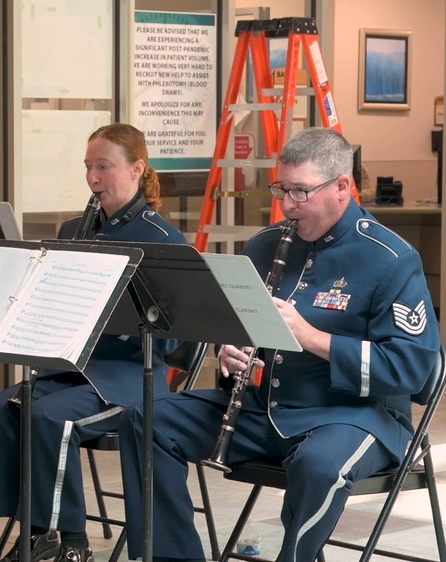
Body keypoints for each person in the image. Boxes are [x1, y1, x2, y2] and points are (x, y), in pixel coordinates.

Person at [118, 127, 442, 562]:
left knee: (318, 466)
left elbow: (412, 370)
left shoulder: (390, 258)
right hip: (264, 408)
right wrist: (230, 353)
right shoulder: (265, 246)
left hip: (354, 416)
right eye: (281, 189)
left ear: (342, 187)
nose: (287, 204)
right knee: (145, 420)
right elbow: (244, 331)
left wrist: (312, 337)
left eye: (301, 192)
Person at [0, 123, 187, 562]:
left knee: (50, 417)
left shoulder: (164, 240)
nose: (93, 179)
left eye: (104, 167)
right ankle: (38, 530)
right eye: (89, 168)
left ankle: (70, 540)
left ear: (137, 169)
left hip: (130, 378)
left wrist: (122, 320)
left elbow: (171, 344)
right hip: (71, 371)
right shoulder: (75, 228)